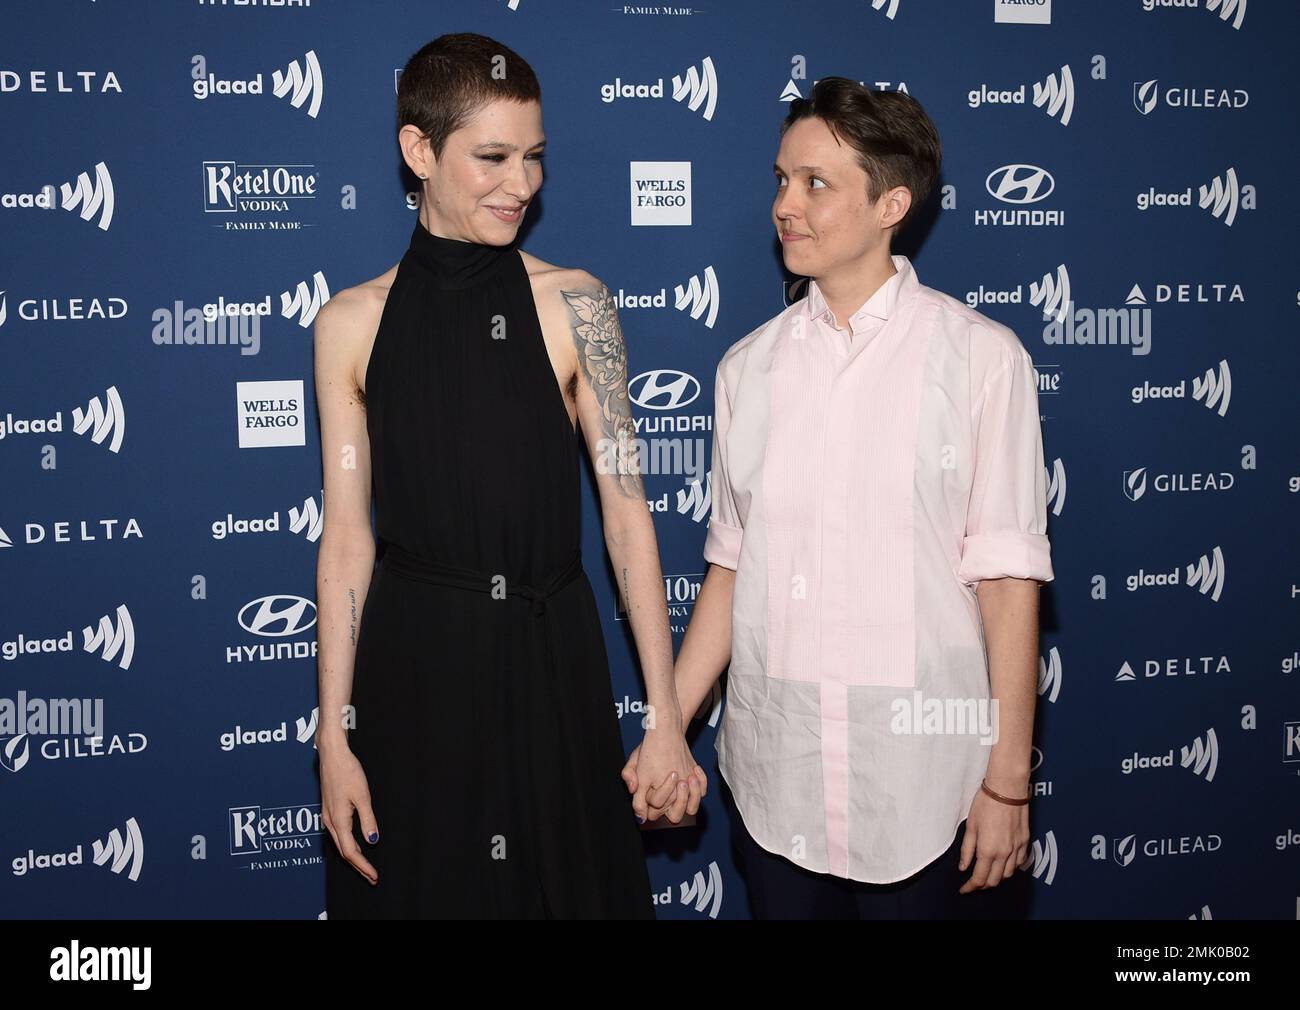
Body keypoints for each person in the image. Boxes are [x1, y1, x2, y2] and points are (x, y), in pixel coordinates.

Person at [626, 77, 1054, 918]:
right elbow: (731, 568)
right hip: (776, 782)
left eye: (816, 183)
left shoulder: (981, 360)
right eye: (782, 179)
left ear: (892, 201)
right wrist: (667, 726)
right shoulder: (747, 368)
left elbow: (1008, 583)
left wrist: (1007, 784)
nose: (788, 204)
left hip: (924, 794)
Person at [314, 33, 698, 918]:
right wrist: (334, 735)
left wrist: (666, 717)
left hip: (548, 665)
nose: (520, 184)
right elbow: (345, 540)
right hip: (414, 675)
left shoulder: (580, 305)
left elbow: (628, 514)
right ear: (420, 152)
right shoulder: (348, 324)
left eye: (533, 158)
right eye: (492, 157)